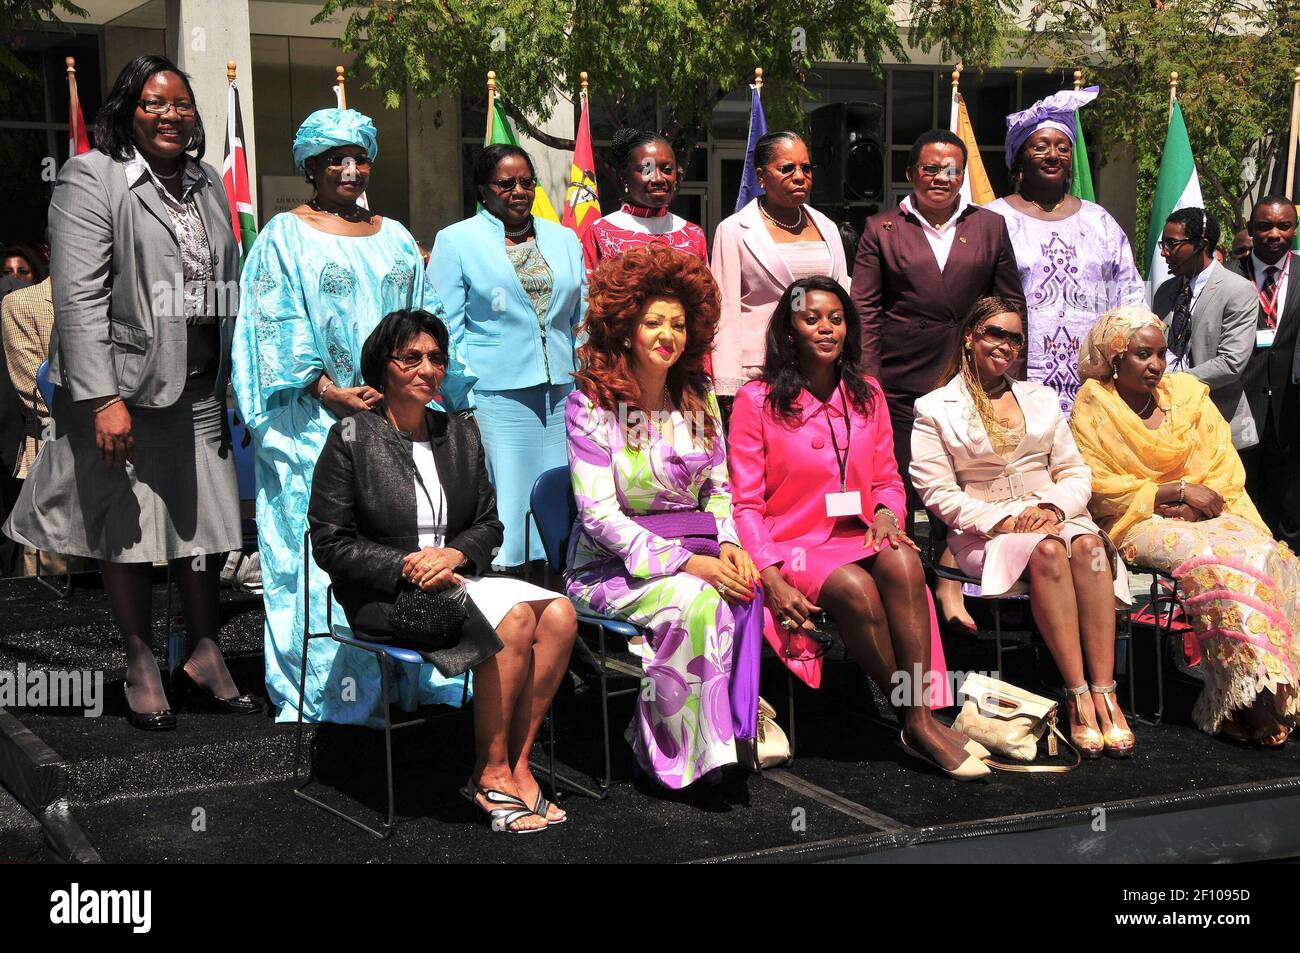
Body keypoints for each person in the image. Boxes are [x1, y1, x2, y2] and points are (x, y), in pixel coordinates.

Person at [4, 55, 253, 727]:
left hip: (201, 383)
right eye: (154, 103)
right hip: (129, 391)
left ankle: (204, 652)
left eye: (181, 103)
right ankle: (141, 658)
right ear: (126, 110)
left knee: (204, 528)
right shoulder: (94, 177)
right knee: (131, 530)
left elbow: (222, 280)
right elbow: (79, 299)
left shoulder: (204, 181)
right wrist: (101, 397)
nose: (171, 114)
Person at [232, 107, 470, 726]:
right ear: (308, 166)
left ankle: (409, 680)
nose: (348, 167)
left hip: (397, 426)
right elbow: (268, 324)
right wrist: (326, 388)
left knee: (408, 546)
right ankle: (329, 696)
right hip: (315, 427)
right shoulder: (282, 236)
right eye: (333, 158)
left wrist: (417, 392)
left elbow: (424, 323)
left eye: (358, 156)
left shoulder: (395, 237)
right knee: (321, 557)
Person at [310, 309, 577, 832]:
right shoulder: (349, 438)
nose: (427, 369)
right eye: (411, 357)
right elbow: (331, 543)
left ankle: (517, 766)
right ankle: (490, 774)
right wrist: (409, 566)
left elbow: (488, 525)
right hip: (383, 594)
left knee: (561, 614)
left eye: (436, 358)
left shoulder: (459, 433)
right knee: (518, 618)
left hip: (458, 579)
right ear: (382, 368)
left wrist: (454, 556)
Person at [727, 277, 983, 778]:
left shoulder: (867, 395)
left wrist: (889, 512)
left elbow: (888, 478)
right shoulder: (756, 401)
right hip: (793, 542)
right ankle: (919, 720)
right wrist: (772, 573)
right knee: (855, 587)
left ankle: (916, 719)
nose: (826, 327)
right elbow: (745, 504)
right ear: (789, 329)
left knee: (906, 558)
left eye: (835, 318)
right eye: (811, 318)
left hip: (859, 532)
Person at [565, 244, 765, 788]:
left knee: (742, 584)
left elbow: (720, 489)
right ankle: (677, 754)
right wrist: (686, 564)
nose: (666, 335)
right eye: (653, 322)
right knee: (695, 598)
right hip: (607, 571)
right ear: (627, 327)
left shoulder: (698, 395)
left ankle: (701, 742)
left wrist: (728, 546)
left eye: (677, 324)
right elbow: (599, 515)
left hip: (701, 553)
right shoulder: (592, 402)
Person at [911, 296, 1134, 758]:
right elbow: (937, 494)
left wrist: (1053, 507)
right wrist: (1005, 520)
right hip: (985, 530)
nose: (1006, 345)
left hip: (1053, 515)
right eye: (995, 333)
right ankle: (1075, 694)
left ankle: (1105, 690)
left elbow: (1076, 474)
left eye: (1015, 338)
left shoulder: (1042, 397)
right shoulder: (934, 407)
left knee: (1091, 545)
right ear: (971, 336)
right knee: (1048, 551)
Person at [1071, 307, 1300, 746]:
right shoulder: (1095, 403)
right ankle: (1235, 699)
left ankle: (1263, 687)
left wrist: (1196, 504)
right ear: (1114, 358)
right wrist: (1170, 492)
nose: (1156, 365)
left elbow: (1221, 465)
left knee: (1262, 552)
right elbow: (1095, 482)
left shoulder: (1189, 396)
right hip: (1134, 517)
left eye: (1161, 354)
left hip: (1202, 512)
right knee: (1211, 561)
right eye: (1142, 355)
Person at [851, 128, 1025, 632]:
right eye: (931, 168)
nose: (941, 178)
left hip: (972, 384)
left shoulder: (989, 226)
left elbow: (1009, 304)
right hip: (902, 384)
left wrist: (1010, 371)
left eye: (952, 169)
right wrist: (868, 379)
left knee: (965, 486)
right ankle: (903, 598)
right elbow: (864, 307)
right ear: (911, 174)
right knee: (903, 489)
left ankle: (953, 587)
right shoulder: (882, 228)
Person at [428, 144, 585, 572]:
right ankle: (513, 604)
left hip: (562, 397)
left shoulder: (564, 239)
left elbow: (582, 315)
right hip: (496, 398)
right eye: (505, 183)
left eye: (526, 181)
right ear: (483, 189)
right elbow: (444, 331)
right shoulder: (456, 241)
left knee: (562, 504)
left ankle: (562, 601)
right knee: (510, 509)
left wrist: (586, 377)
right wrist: (461, 403)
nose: (519, 190)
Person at [986, 86, 1145, 414]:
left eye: (1062, 147)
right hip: (1012, 379)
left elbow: (1128, 298)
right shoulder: (993, 218)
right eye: (1040, 147)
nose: (1053, 155)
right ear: (1019, 157)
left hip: (1093, 385)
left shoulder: (1098, 221)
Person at [711, 131, 850, 401]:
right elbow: (724, 311)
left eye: (806, 168)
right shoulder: (733, 230)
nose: (800, 176)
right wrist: (728, 387)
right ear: (761, 177)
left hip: (822, 371)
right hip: (761, 372)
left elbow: (842, 299)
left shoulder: (828, 227)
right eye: (787, 168)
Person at [1152, 207, 1258, 450]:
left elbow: (1231, 363)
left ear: (1202, 244)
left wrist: (1170, 381)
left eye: (1173, 244)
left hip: (1219, 427)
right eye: (1163, 244)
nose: (1165, 253)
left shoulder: (1237, 291)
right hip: (1168, 428)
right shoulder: (1165, 292)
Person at [1234, 195, 1300, 551]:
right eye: (1265, 226)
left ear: (1294, 229)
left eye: (1284, 226)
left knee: (1292, 513)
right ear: (1251, 229)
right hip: (1239, 412)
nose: (1274, 234)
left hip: (1292, 414)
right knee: (1248, 512)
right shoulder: (1228, 277)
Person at [1, 276, 77, 577]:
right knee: (55, 567)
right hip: (51, 450)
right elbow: (31, 382)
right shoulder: (20, 303)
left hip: (118, 452)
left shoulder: (118, 298)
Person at [581, 128, 706, 271]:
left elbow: (706, 291)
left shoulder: (693, 235)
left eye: (666, 169)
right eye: (647, 170)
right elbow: (588, 291)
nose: (658, 179)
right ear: (624, 176)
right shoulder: (600, 232)